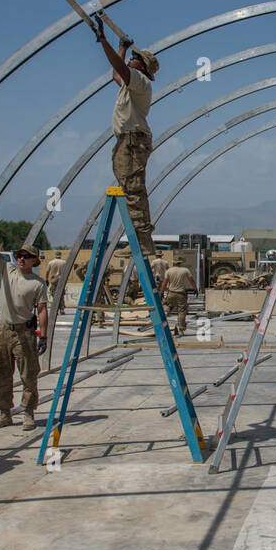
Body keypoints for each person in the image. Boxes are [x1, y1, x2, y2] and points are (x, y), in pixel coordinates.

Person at [0, 214, 49, 431]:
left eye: (27, 257)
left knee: (28, 374)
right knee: (1, 373)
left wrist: (43, 335)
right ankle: (4, 413)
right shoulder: (7, 272)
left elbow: (42, 310)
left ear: (34, 261)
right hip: (3, 331)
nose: (22, 259)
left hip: (24, 333)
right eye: (20, 256)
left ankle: (28, 412)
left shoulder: (37, 284)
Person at [97, 18, 160, 256]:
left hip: (134, 140)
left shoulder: (140, 81)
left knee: (132, 189)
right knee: (129, 186)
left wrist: (104, 41)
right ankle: (140, 239)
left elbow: (121, 68)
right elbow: (117, 72)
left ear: (142, 66)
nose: (131, 59)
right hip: (129, 139)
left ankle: (142, 243)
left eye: (135, 57)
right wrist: (121, 47)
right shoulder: (130, 84)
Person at [161, 258, 196, 337]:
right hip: (181, 294)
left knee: (169, 305)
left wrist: (161, 292)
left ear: (173, 263)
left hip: (171, 293)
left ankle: (166, 312)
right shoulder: (185, 270)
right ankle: (181, 330)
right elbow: (192, 280)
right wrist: (195, 289)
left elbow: (164, 282)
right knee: (181, 311)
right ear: (180, 263)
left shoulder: (169, 271)